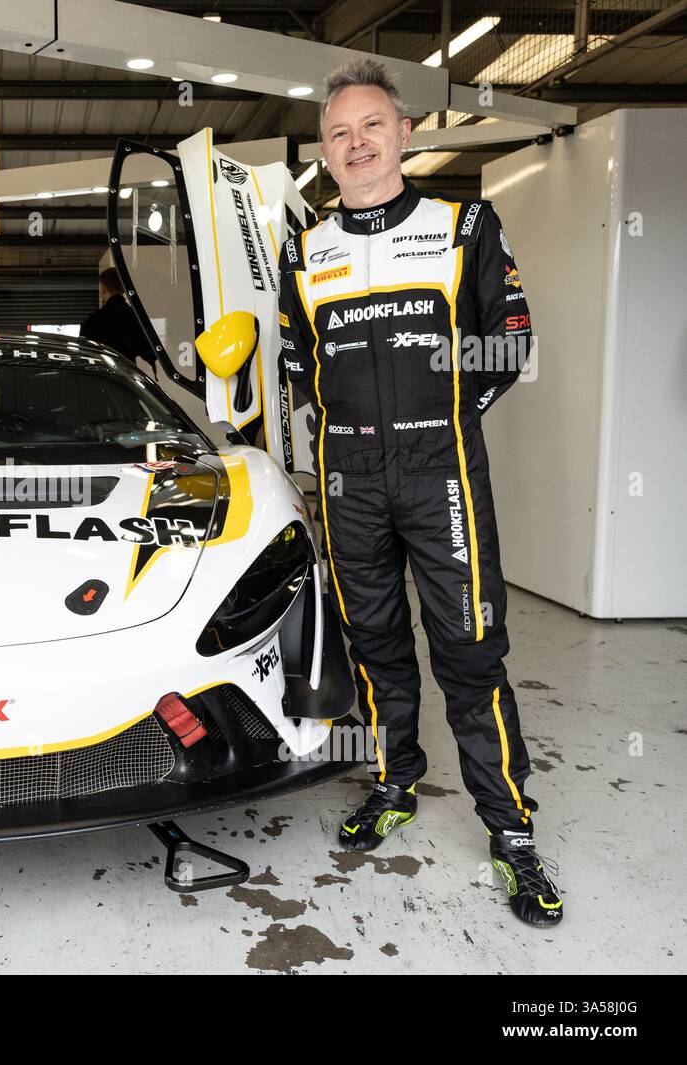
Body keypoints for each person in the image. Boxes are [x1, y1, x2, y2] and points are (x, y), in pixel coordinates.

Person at [276, 58, 562, 927]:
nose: (355, 142)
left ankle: (510, 829)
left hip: (441, 475)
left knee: (470, 651)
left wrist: (442, 416)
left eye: (370, 126)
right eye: (337, 133)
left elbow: (512, 343)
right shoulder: (306, 250)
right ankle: (395, 777)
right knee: (374, 645)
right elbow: (298, 367)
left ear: (404, 133)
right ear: (324, 154)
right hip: (348, 482)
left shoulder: (463, 223)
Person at [79, 267, 156, 373]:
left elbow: (84, 358)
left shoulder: (92, 321)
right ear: (123, 289)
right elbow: (149, 351)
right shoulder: (135, 317)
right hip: (128, 378)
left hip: (103, 376)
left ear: (104, 289)